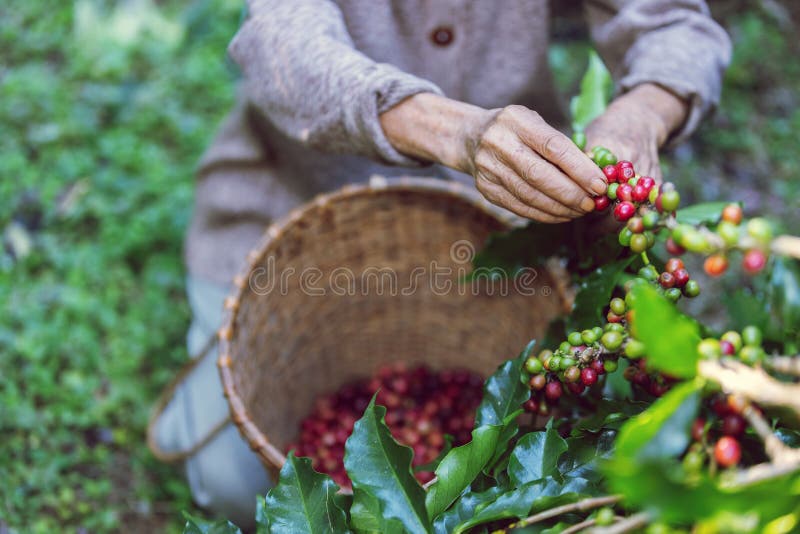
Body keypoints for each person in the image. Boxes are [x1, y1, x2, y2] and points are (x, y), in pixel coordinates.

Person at [151, 0, 731, 527]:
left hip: (503, 220)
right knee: (231, 484)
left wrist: (641, 115)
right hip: (290, 205)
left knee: (586, 423)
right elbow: (283, 43)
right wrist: (457, 131)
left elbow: (676, 24)